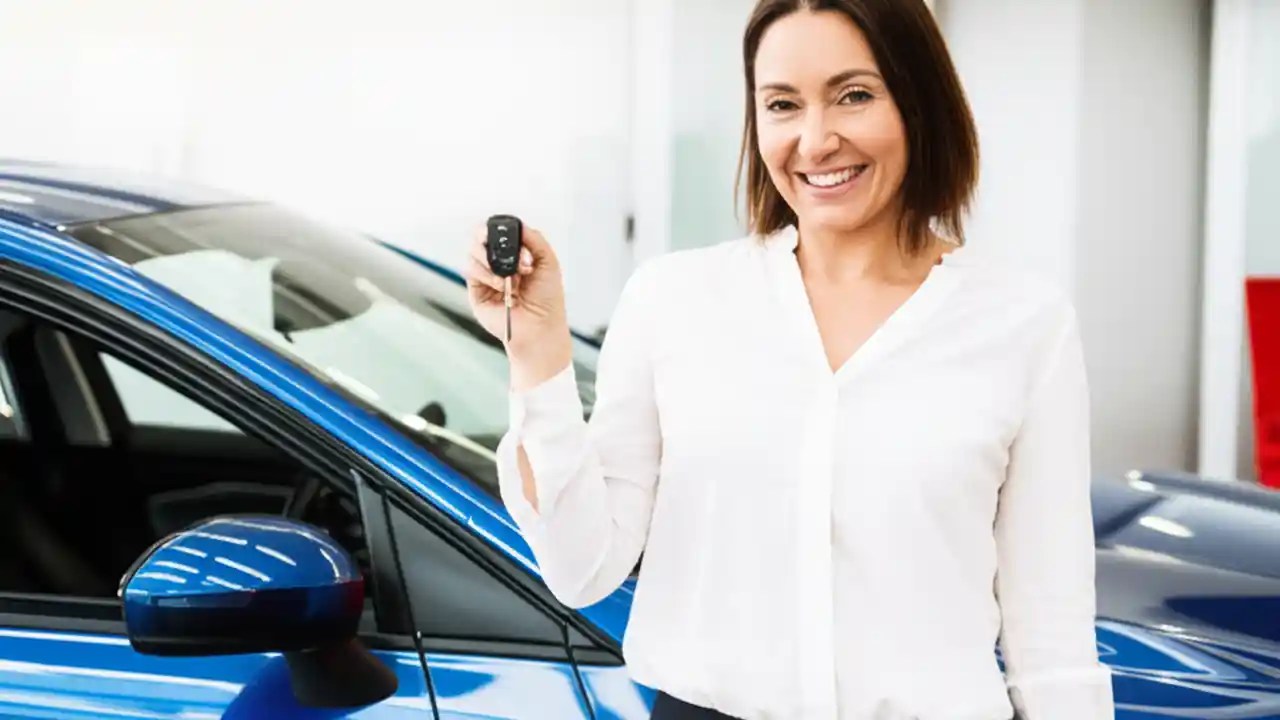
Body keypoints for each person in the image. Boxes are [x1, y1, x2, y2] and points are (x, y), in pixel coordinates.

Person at [464, 0, 1115, 717]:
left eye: (854, 95)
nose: (815, 140)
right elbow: (583, 566)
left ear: (920, 101)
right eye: (782, 104)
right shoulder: (673, 299)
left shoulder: (1023, 322)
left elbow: (1052, 636)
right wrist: (537, 356)